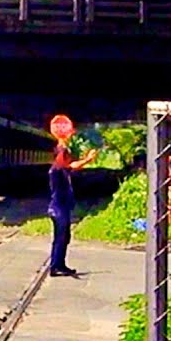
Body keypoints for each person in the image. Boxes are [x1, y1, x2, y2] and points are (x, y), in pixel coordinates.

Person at [48, 115, 98, 277]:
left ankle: (59, 265)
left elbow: (71, 166)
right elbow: (70, 165)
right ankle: (56, 266)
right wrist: (86, 159)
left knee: (63, 237)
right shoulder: (58, 168)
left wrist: (86, 160)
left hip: (61, 207)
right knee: (61, 237)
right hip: (58, 207)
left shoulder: (59, 169)